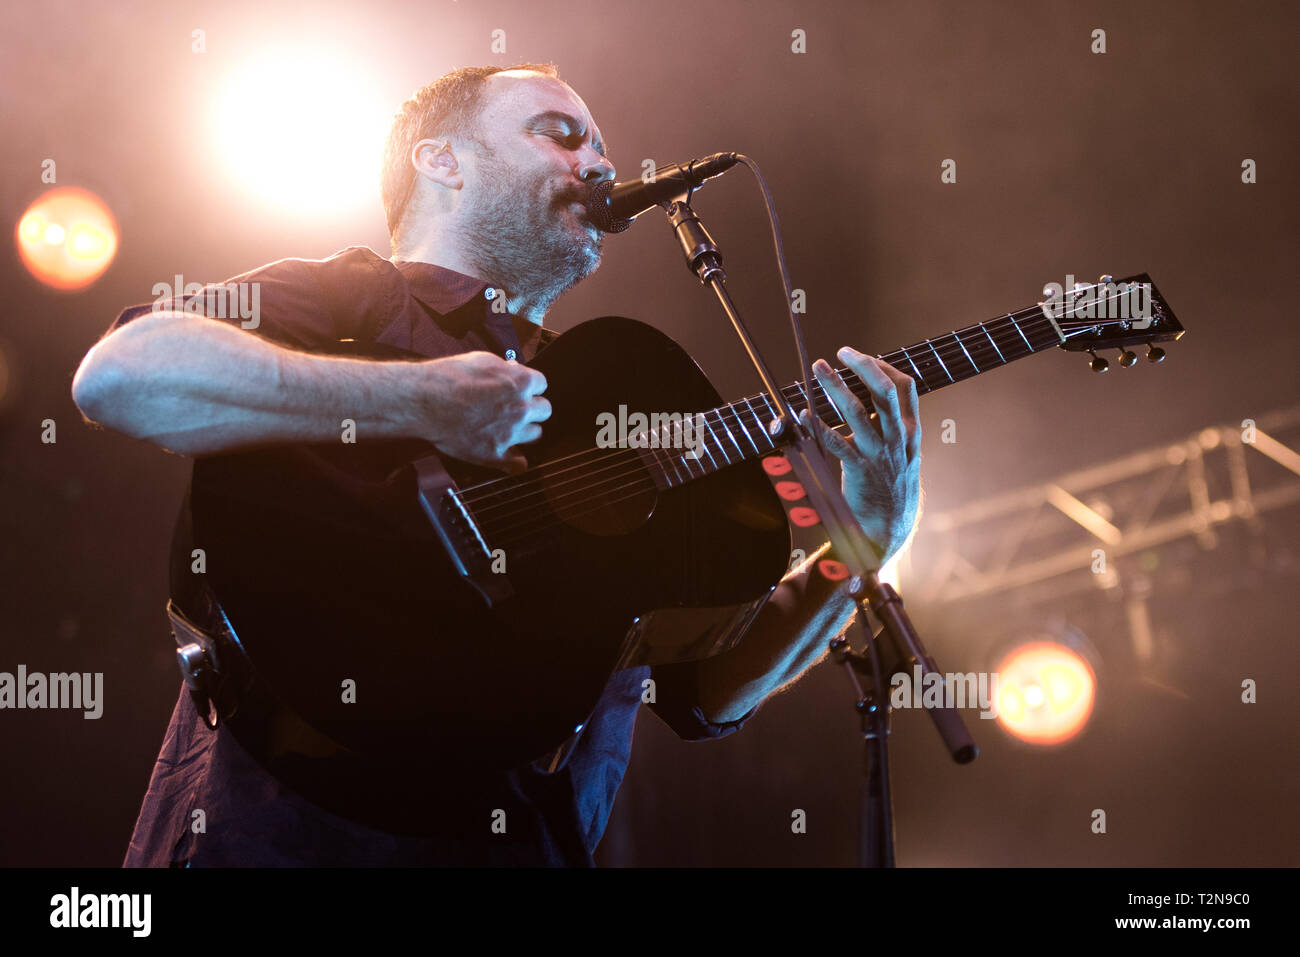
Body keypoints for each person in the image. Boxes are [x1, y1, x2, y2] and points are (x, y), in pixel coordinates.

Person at [71, 63, 922, 866]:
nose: (599, 162)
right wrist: (418, 402)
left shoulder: (612, 391)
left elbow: (709, 694)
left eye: (600, 146)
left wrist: (865, 540)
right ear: (442, 160)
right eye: (561, 133)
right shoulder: (354, 294)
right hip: (284, 831)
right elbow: (121, 375)